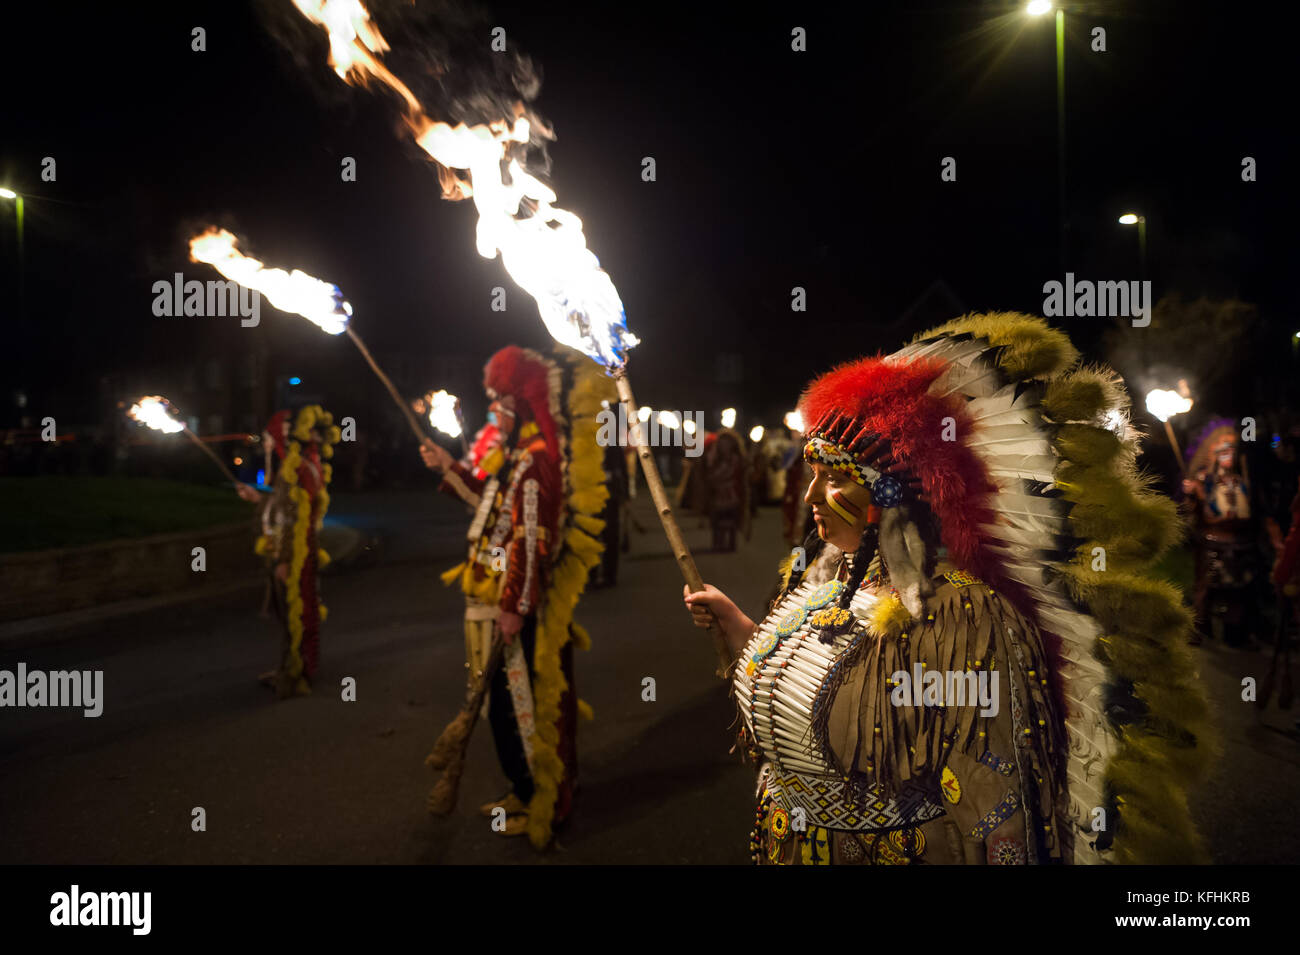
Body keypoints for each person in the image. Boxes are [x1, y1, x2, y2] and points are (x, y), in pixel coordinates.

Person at [683, 313, 1210, 865]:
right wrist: (741, 629)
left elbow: (994, 804)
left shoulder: (959, 619)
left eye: (834, 477)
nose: (812, 495)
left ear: (890, 494)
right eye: (814, 475)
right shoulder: (819, 578)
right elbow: (804, 697)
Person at [421, 345, 609, 847]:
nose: (493, 415)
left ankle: (543, 799)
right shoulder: (516, 461)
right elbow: (493, 515)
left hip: (520, 612)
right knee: (503, 710)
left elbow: (532, 541)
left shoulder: (535, 462)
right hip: (506, 604)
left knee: (521, 709)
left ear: (519, 408)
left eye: (499, 405)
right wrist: (448, 467)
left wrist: (513, 608)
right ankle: (523, 791)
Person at [236, 406, 340, 700]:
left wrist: (284, 560)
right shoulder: (295, 466)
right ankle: (289, 668)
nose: (268, 443)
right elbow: (282, 506)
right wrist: (258, 499)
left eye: (273, 436)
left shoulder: (298, 468)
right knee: (289, 615)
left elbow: (294, 518)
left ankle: (295, 674)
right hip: (292, 552)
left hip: (295, 555)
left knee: (296, 613)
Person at [1181, 419, 1261, 647]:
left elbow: (1251, 509)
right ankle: (1197, 626)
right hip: (1211, 540)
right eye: (1223, 448)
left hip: (1239, 541)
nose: (1228, 454)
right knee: (1205, 585)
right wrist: (1192, 494)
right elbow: (1196, 511)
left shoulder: (1239, 479)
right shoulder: (1203, 480)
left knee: (1238, 586)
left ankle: (1234, 632)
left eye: (1232, 448)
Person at [704, 428, 748, 552]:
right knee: (717, 520)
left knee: (731, 520)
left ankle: (731, 543)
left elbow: (739, 474)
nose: (725, 446)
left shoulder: (736, 459)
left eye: (727, 443)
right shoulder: (714, 458)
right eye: (722, 443)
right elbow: (709, 475)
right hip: (717, 494)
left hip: (732, 494)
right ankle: (717, 543)